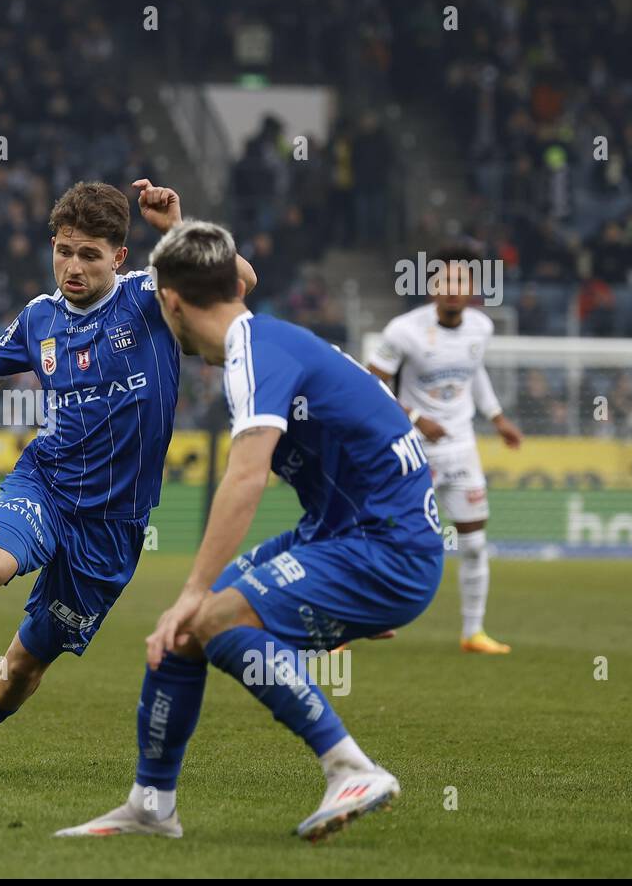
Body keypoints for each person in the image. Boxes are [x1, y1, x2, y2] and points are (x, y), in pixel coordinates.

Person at [0, 180, 257, 771]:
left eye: (90, 254)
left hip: (113, 525)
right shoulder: (39, 317)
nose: (73, 266)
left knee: (21, 667)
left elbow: (239, 282)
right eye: (64, 250)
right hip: (48, 481)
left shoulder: (152, 295)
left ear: (118, 256)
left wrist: (177, 231)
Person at [57, 220, 443, 842]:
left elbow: (245, 479)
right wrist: (180, 228)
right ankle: (151, 807)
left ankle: (350, 768)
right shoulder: (267, 338)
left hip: (383, 546)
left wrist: (193, 588)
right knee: (187, 634)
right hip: (349, 536)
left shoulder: (252, 357)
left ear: (171, 302)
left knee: (209, 616)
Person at [367, 247, 523, 653]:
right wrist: (417, 419)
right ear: (431, 288)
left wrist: (497, 416)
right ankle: (350, 625)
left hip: (461, 449)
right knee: (383, 537)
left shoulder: (481, 328)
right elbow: (372, 383)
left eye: (461, 283)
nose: (453, 290)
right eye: (445, 282)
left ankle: (473, 632)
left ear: (472, 289)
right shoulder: (403, 331)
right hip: (411, 450)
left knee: (472, 543)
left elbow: (475, 372)